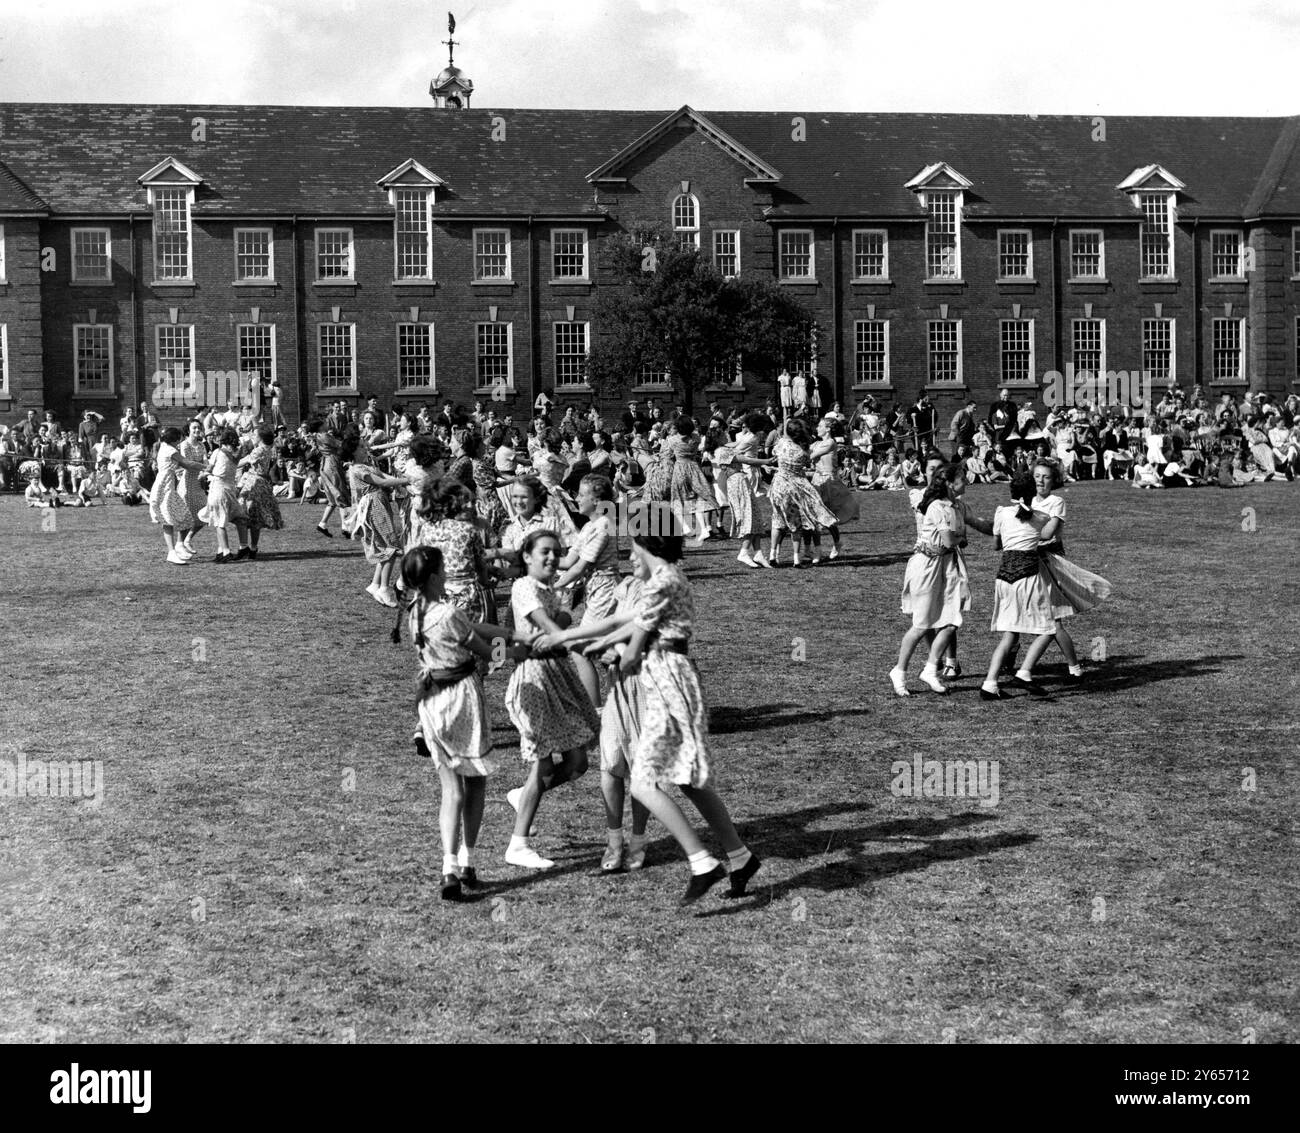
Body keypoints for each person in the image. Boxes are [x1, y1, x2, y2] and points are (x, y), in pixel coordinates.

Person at [578, 520, 761, 905]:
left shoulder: (663, 581)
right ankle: (740, 856)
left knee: (644, 783)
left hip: (667, 683)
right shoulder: (668, 577)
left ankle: (702, 863)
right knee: (690, 782)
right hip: (670, 680)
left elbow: (630, 651)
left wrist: (612, 653)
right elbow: (620, 626)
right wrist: (581, 642)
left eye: (633, 548)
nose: (629, 555)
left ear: (647, 544)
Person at [395, 546, 531, 901]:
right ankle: (469, 859)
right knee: (476, 783)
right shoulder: (448, 612)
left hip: (432, 704)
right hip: (461, 699)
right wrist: (516, 650)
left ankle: (449, 866)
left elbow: (471, 627)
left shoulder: (414, 612)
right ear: (437, 575)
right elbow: (486, 651)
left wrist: (509, 632)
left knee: (450, 790)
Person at [502, 530, 600, 871]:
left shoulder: (549, 590)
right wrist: (567, 632)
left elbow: (561, 622)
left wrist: (560, 627)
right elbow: (549, 624)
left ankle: (522, 795)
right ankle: (518, 844)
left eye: (556, 553)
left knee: (578, 762)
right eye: (544, 552)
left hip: (559, 676)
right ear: (527, 556)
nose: (551, 558)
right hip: (535, 679)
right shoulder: (524, 586)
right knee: (542, 764)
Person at [979, 472, 1061, 700]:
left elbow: (997, 545)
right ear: (1032, 493)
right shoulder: (1040, 516)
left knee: (1010, 634)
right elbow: (1048, 536)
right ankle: (1024, 672)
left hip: (1004, 577)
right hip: (1027, 577)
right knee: (1048, 628)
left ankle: (990, 683)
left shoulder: (1002, 513)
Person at [767, 418, 842, 566]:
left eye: (820, 426)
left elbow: (812, 455)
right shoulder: (808, 447)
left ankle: (833, 544)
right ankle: (808, 551)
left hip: (827, 481)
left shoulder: (830, 442)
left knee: (820, 517)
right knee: (806, 518)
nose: (817, 428)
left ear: (828, 429)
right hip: (810, 481)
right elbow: (808, 458)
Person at [149, 427, 207, 565]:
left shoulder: (164, 446)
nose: (179, 442)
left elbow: (185, 465)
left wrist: (200, 468)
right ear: (174, 439)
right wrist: (206, 467)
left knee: (185, 517)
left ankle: (179, 546)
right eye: (178, 439)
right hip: (165, 487)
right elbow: (187, 463)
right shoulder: (170, 450)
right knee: (168, 520)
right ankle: (172, 552)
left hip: (167, 486)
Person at [198, 429, 250, 562]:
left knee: (219, 522)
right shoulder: (237, 453)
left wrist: (202, 474)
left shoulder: (217, 452)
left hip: (218, 489)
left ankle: (225, 551)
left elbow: (208, 469)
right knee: (240, 518)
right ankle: (242, 547)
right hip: (230, 489)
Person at [235, 425, 285, 559]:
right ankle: (253, 548)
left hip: (254, 483)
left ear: (261, 437)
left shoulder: (258, 450)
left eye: (254, 434)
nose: (252, 436)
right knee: (255, 519)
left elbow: (242, 462)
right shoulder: (268, 449)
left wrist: (229, 461)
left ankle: (244, 546)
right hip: (261, 482)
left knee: (244, 514)